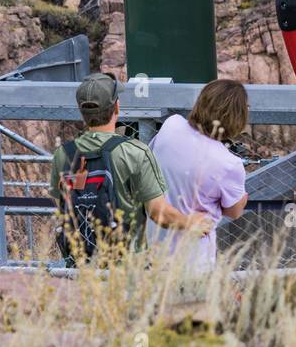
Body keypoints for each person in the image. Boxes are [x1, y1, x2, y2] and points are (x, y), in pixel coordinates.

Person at [50, 73, 214, 261]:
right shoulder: (135, 152)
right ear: (116, 107)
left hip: (80, 267)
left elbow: (62, 204)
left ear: (82, 112)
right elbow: (158, 212)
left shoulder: (63, 154)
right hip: (125, 267)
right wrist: (191, 222)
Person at [145, 78, 249, 269]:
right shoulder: (229, 164)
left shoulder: (171, 125)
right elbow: (234, 211)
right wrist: (242, 198)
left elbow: (152, 165)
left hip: (153, 249)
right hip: (194, 261)